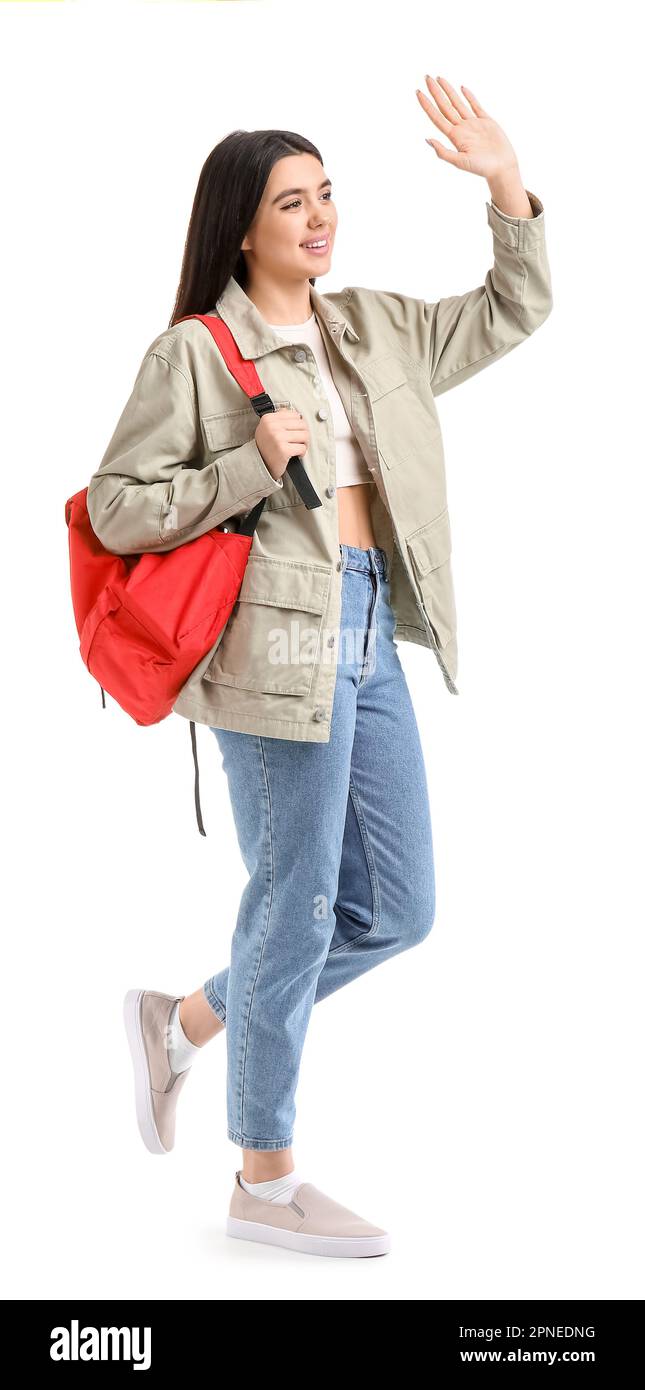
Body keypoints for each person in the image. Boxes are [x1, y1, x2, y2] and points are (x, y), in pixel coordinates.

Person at [90, 76, 552, 1258]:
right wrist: (247, 466)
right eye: (292, 201)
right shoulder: (195, 355)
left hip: (366, 626)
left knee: (396, 908)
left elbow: (511, 309)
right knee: (292, 904)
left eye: (327, 194)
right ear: (242, 224)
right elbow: (117, 506)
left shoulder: (372, 328)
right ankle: (264, 1171)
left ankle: (183, 1019)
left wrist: (504, 182)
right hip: (268, 639)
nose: (318, 217)